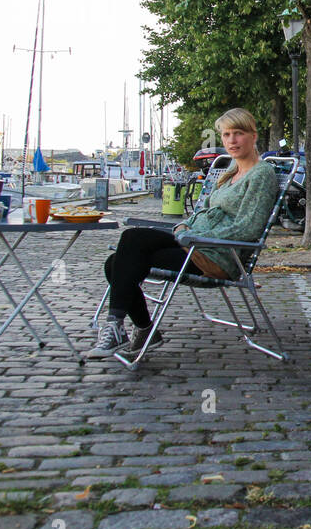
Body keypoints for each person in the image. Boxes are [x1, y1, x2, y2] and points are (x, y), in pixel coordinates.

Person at [90, 107, 281, 357]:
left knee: (124, 255)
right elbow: (203, 213)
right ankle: (132, 328)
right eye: (226, 135)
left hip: (216, 255)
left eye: (238, 133)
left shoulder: (261, 174)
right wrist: (185, 226)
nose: (232, 141)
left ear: (253, 136)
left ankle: (131, 329)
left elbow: (249, 227)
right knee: (117, 259)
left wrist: (196, 237)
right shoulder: (230, 174)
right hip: (193, 243)